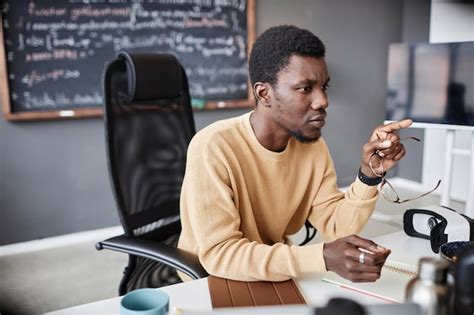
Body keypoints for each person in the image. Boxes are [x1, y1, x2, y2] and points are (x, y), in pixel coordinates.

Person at [177, 25, 412, 282]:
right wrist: (321, 257)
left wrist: (369, 175)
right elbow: (220, 254)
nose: (323, 101)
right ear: (264, 93)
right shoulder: (213, 146)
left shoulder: (312, 146)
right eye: (305, 88)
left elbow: (337, 227)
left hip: (267, 270)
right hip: (209, 278)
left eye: (324, 87)